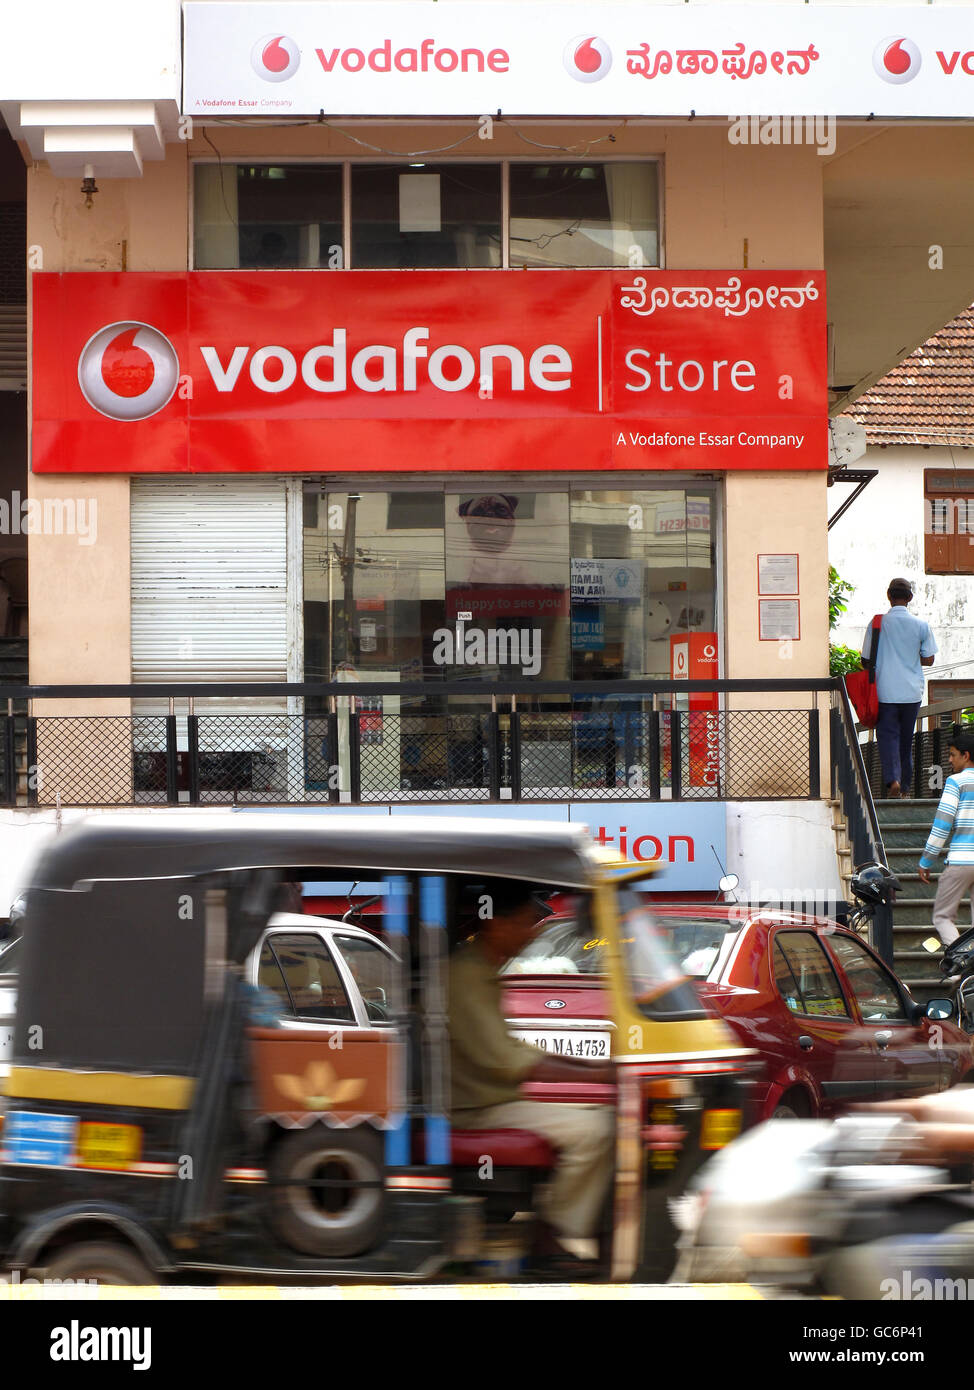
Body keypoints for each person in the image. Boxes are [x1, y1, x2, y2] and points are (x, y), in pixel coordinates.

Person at [447, 880, 615, 1275]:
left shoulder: (482, 970)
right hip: (475, 1108)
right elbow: (508, 1062)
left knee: (595, 1115)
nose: (528, 935)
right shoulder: (467, 976)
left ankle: (553, 1227)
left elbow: (515, 1054)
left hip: (493, 1098)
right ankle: (550, 1237)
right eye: (524, 923)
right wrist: (597, 1073)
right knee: (596, 1129)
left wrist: (591, 1072)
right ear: (496, 923)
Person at [861, 578, 937, 797]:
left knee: (887, 738)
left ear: (888, 595)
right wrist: (910, 655)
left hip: (884, 692)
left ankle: (892, 779)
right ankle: (905, 788)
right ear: (910, 598)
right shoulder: (921, 626)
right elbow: (929, 659)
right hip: (911, 692)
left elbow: (866, 661)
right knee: (906, 739)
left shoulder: (877, 623)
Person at [918, 725, 974, 946]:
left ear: (965, 756)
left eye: (952, 755)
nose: (950, 760)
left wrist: (926, 860)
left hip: (961, 860)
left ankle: (958, 969)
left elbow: (942, 825)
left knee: (942, 917)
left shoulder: (955, 782)